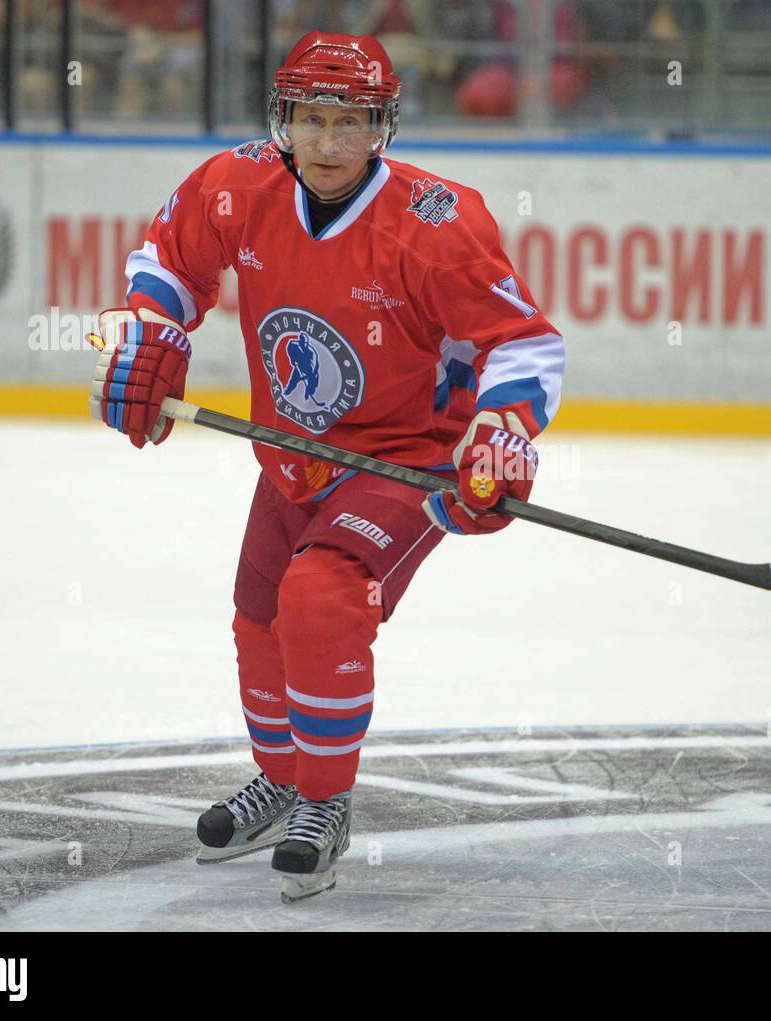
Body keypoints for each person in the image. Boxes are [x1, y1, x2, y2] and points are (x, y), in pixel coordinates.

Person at [88, 31, 564, 902]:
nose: (331, 142)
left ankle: (327, 800)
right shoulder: (238, 185)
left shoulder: (437, 223)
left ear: (383, 127)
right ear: (285, 120)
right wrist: (150, 333)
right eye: (314, 118)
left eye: (353, 121)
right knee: (258, 617)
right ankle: (284, 779)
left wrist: (503, 432)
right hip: (292, 459)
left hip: (403, 458)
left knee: (321, 596)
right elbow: (168, 259)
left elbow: (524, 341)